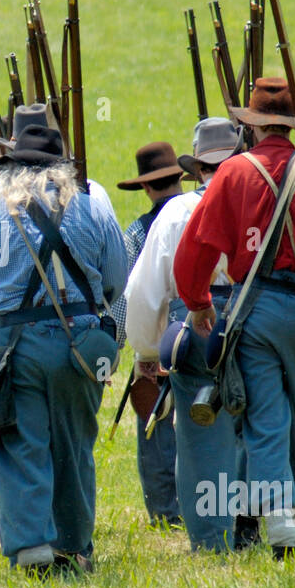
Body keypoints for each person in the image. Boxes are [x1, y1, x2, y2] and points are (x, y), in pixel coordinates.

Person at [175, 78, 295, 558]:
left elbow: (196, 248)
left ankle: (278, 522)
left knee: (265, 417)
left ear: (254, 126)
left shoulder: (233, 175)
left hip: (253, 313)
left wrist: (198, 301)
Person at [0, 109, 127, 576]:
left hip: (13, 346)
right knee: (74, 446)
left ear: (12, 152)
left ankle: (32, 549)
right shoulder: (94, 199)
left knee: (19, 443)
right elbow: (117, 279)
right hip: (82, 345)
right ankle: (74, 545)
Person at [124, 118, 243, 552]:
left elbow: (144, 290)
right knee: (256, 426)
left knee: (197, 441)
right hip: (254, 321)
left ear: (196, 168)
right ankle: (253, 527)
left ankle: (212, 539)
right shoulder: (263, 202)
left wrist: (147, 351)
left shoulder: (176, 212)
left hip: (196, 327)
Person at [112, 141, 185, 527]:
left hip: (155, 345)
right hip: (204, 333)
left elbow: (126, 297)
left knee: (155, 424)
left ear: (146, 187)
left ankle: (166, 511)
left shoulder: (138, 233)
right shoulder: (201, 214)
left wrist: (115, 349)